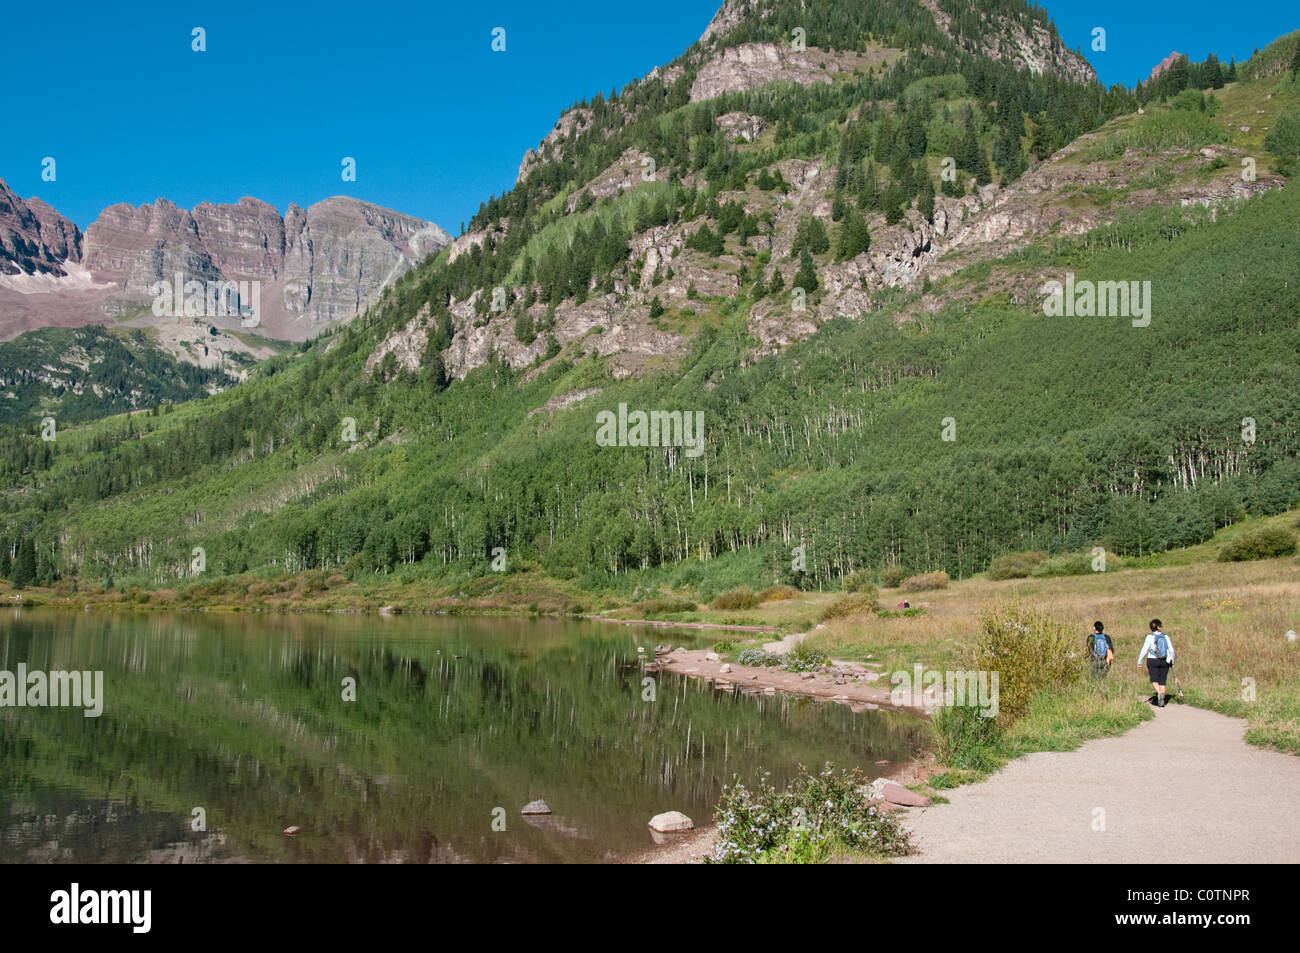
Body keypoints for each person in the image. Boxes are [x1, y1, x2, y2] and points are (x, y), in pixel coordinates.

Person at [1136, 618, 1175, 707]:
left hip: (1152, 660)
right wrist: (1172, 660)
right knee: (1162, 680)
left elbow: (1144, 649)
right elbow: (1171, 650)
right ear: (1159, 627)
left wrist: (1140, 661)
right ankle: (1162, 698)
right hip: (1164, 660)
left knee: (1154, 679)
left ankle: (1159, 694)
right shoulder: (1165, 636)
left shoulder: (1149, 637)